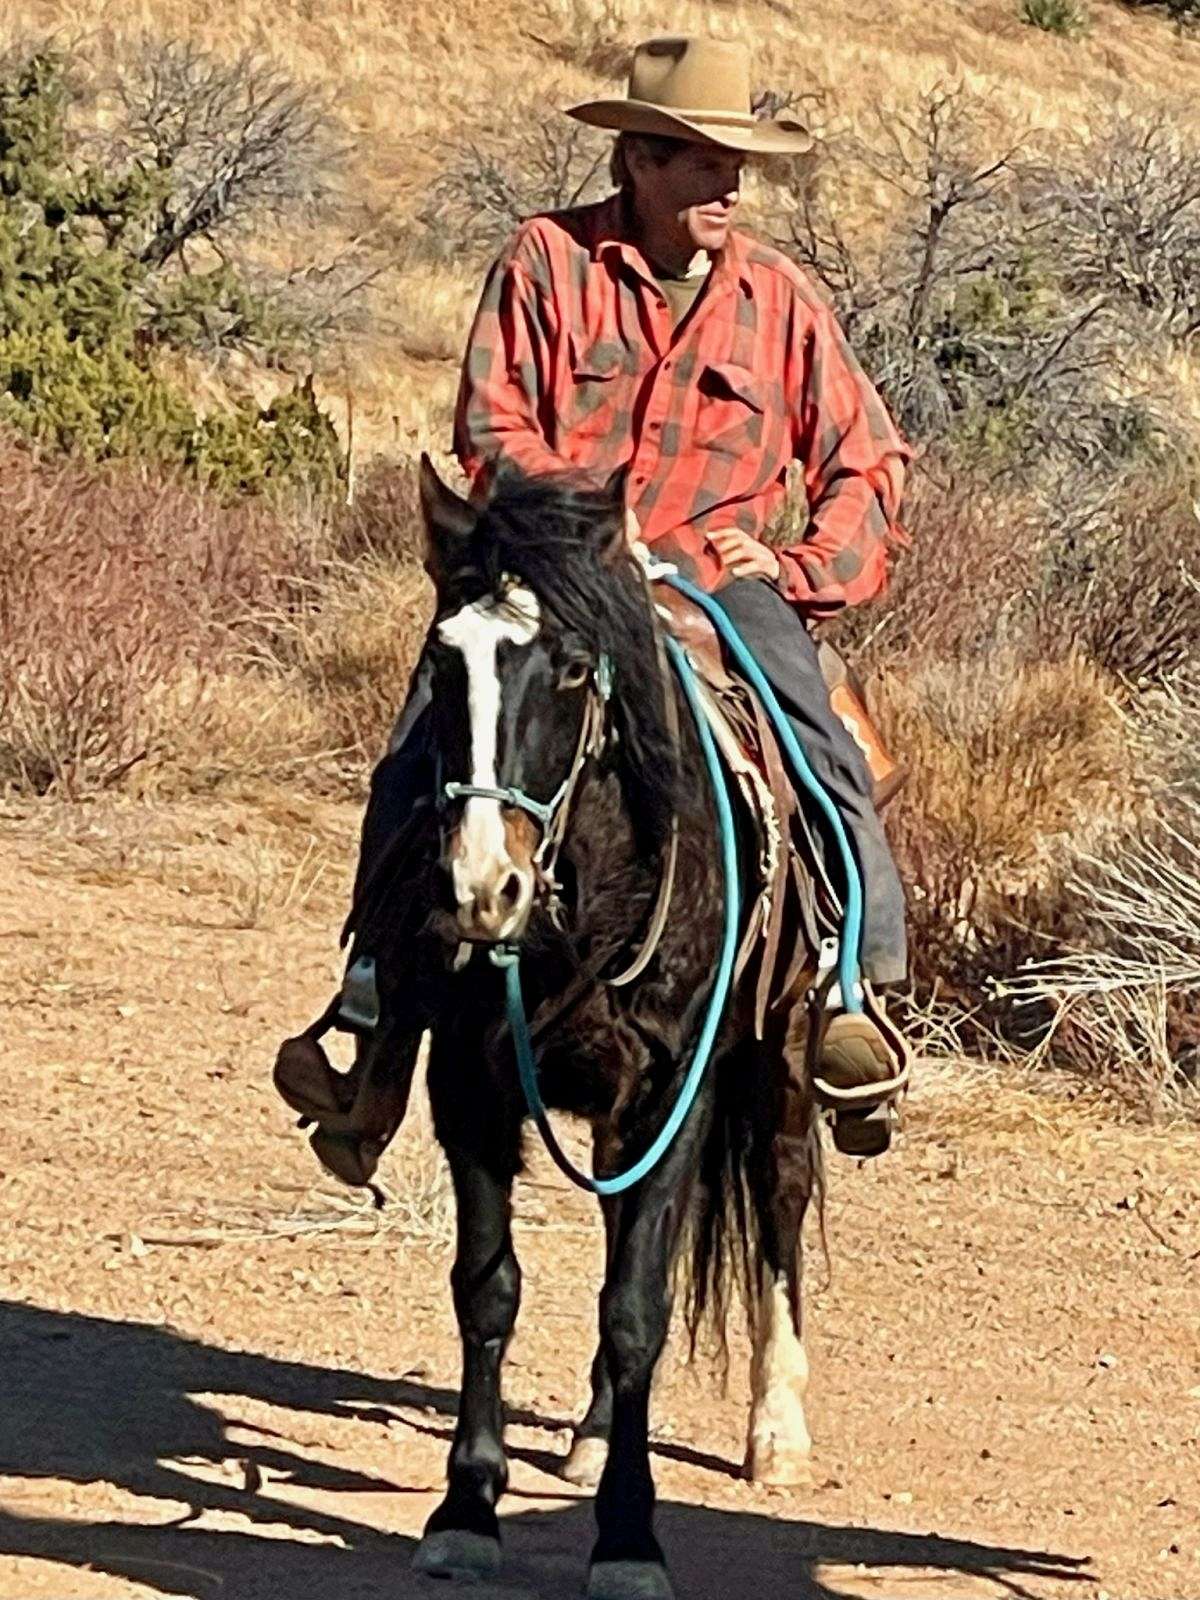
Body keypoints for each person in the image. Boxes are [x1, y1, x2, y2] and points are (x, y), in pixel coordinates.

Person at [275, 34, 912, 1175]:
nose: (726, 187)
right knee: (425, 741)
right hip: (555, 578)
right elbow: (492, 420)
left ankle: (851, 990)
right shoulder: (546, 263)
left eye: (736, 165)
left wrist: (806, 566)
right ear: (638, 161)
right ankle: (368, 1017)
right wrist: (577, 529)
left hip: (715, 586)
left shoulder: (780, 302)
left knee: (823, 748)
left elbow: (870, 460)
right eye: (697, 161)